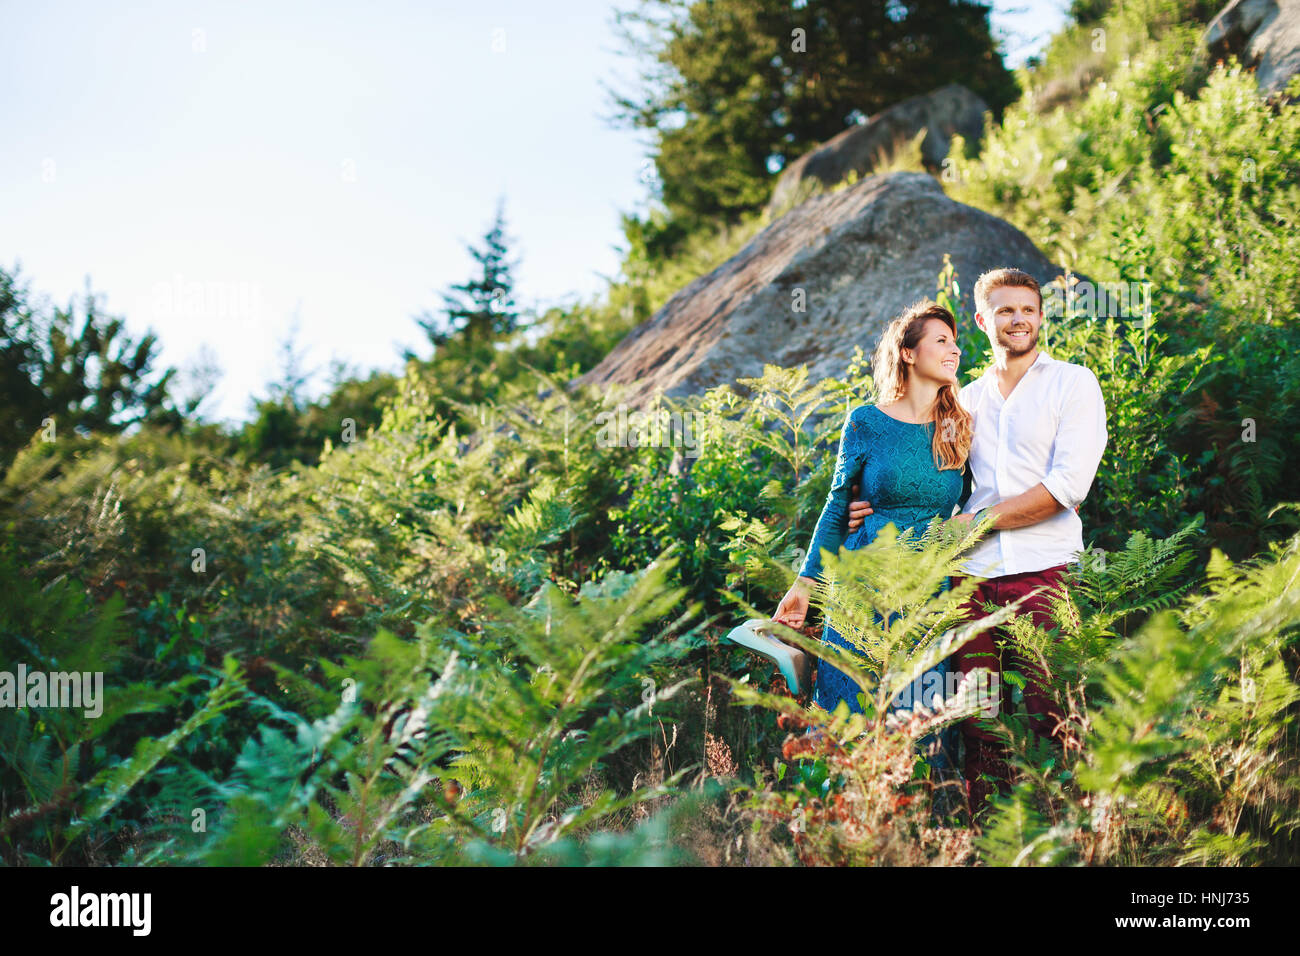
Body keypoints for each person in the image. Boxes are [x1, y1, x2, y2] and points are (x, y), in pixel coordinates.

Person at [844, 267, 1108, 816]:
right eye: (1005, 311)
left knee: (1050, 713)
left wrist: (981, 522)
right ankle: (988, 836)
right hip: (968, 578)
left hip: (1045, 571)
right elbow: (927, 478)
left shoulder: (1073, 383)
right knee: (979, 721)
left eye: (1028, 310)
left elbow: (1066, 488)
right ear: (984, 320)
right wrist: (870, 505)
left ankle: (1066, 832)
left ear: (1040, 316)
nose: (1019, 320)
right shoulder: (959, 400)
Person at [772, 299, 973, 781]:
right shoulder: (866, 421)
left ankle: (918, 837)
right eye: (941, 340)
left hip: (929, 586)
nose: (954, 350)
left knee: (922, 719)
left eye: (955, 341)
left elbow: (981, 497)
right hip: (861, 584)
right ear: (907, 353)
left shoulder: (960, 424)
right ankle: (836, 829)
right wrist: (805, 585)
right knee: (849, 715)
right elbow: (838, 504)